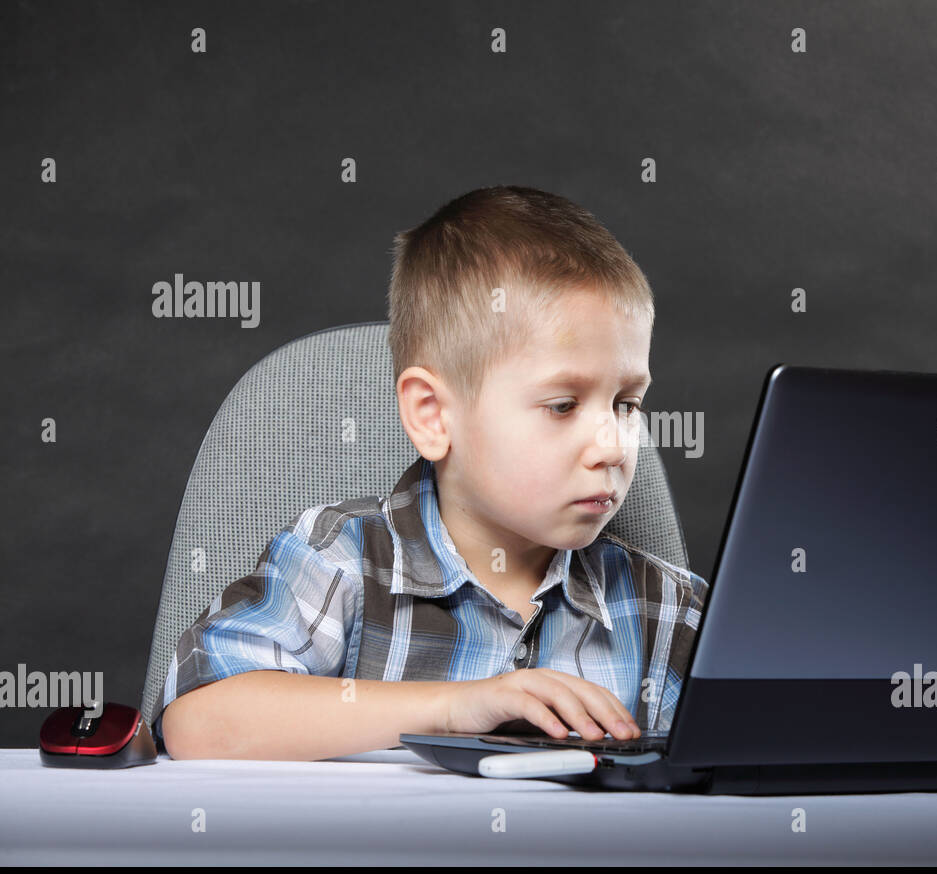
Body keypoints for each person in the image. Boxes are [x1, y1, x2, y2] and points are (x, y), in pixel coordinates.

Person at [156, 185, 708, 761]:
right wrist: (452, 708)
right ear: (433, 415)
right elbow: (200, 718)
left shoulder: (665, 608)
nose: (613, 446)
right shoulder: (339, 561)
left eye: (627, 403)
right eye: (563, 405)